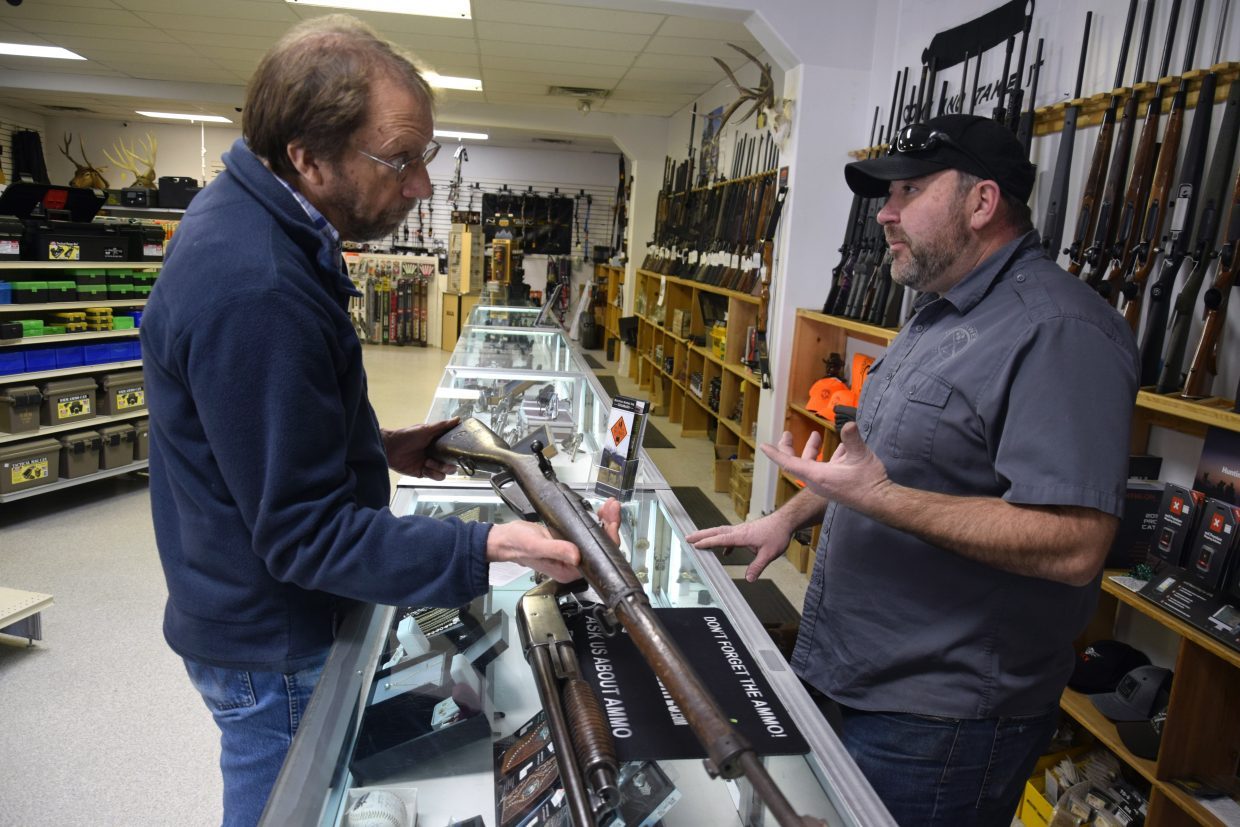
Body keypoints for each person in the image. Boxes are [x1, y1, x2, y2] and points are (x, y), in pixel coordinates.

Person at [141, 16, 597, 826]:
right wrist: (488, 544)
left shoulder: (255, 225)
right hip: (271, 638)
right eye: (401, 159)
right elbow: (303, 534)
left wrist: (370, 444)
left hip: (246, 606)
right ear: (309, 158)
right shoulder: (259, 284)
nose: (421, 184)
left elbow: (242, 433)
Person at [688, 114, 1138, 826]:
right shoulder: (936, 310)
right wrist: (792, 514)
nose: (885, 213)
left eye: (909, 192)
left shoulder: (1061, 332)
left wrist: (882, 498)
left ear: (982, 202)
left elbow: (1075, 541)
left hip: (942, 719)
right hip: (848, 666)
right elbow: (889, 459)